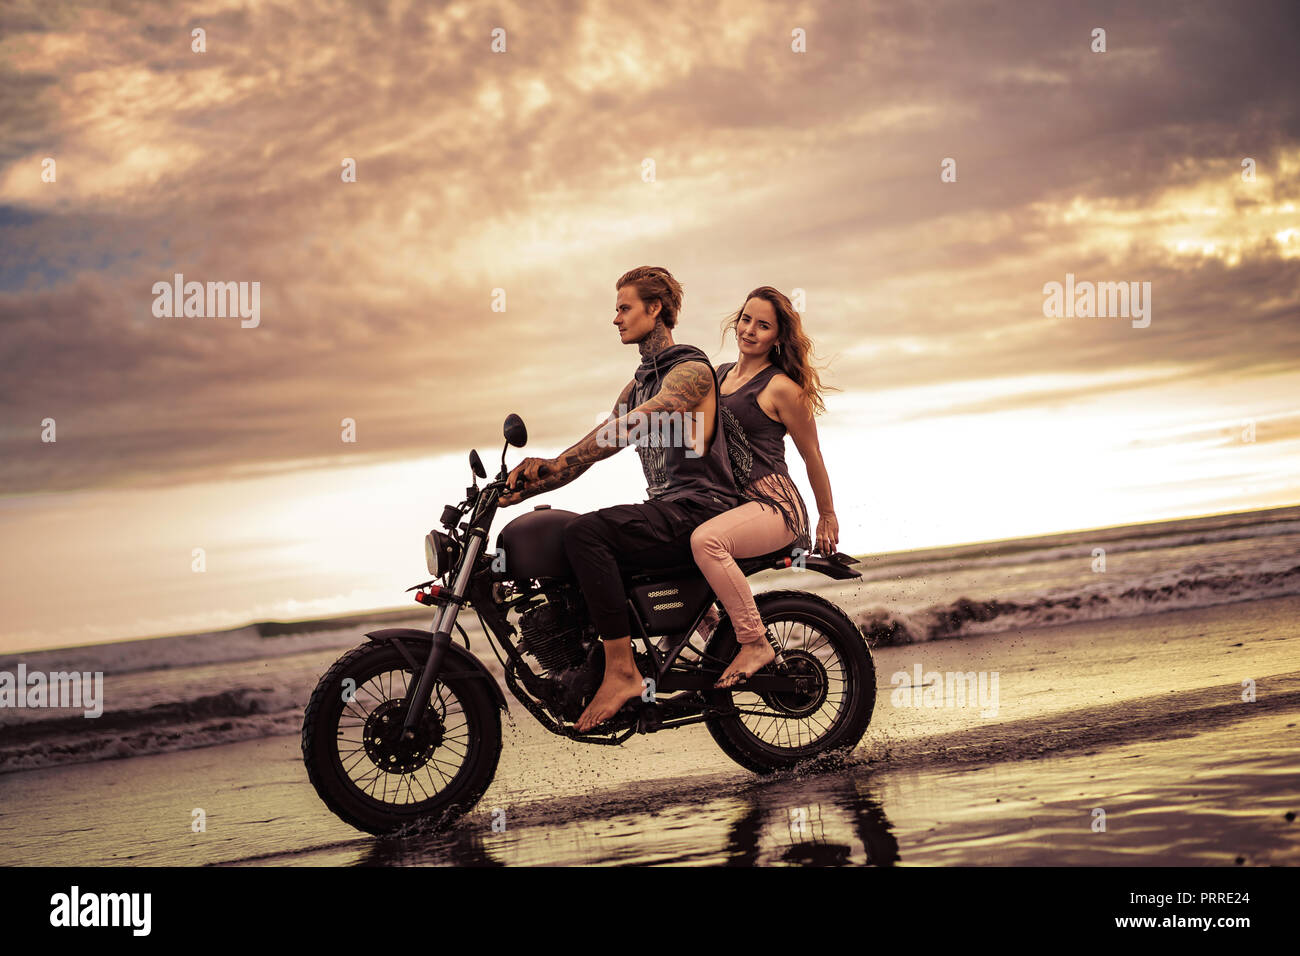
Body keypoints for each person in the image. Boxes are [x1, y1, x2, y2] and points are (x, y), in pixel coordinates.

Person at [499, 266, 742, 731]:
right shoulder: (636, 385)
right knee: (568, 541)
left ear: (656, 309)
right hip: (668, 510)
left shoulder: (690, 372)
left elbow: (630, 428)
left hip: (700, 508)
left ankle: (623, 672)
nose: (616, 318)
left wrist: (554, 462)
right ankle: (597, 659)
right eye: (616, 309)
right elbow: (592, 452)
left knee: (586, 532)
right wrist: (529, 486)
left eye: (624, 307)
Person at [689, 286, 840, 689]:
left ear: (777, 337)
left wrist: (827, 515)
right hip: (729, 504)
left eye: (763, 325)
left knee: (706, 543)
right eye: (746, 319)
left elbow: (813, 456)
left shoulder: (781, 388)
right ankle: (708, 648)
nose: (750, 330)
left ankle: (755, 643)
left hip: (775, 505)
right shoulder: (716, 376)